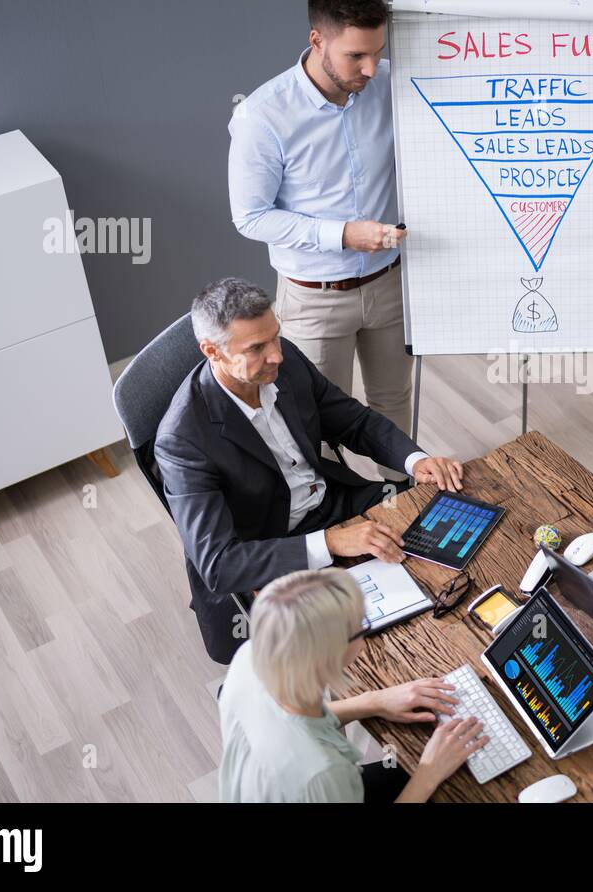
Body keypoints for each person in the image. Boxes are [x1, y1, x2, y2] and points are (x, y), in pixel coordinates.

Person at [155, 277, 463, 664]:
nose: (276, 355)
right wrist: (331, 542)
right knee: (358, 651)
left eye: (275, 337)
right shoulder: (182, 440)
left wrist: (416, 461)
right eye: (257, 348)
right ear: (212, 352)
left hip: (330, 502)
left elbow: (355, 422)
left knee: (442, 542)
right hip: (268, 545)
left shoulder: (285, 362)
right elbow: (219, 564)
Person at [228, 0, 411, 482]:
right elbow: (250, 216)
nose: (370, 68)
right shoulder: (262, 116)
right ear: (317, 40)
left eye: (377, 52)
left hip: (390, 282)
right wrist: (343, 234)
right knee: (320, 420)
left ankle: (404, 498)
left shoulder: (389, 83)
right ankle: (341, 516)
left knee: (394, 401)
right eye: (356, 56)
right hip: (314, 298)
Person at [219, 569, 486, 802]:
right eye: (362, 625)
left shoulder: (250, 657)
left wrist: (373, 702)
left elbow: (294, 721)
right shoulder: (322, 773)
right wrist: (428, 773)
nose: (365, 630)